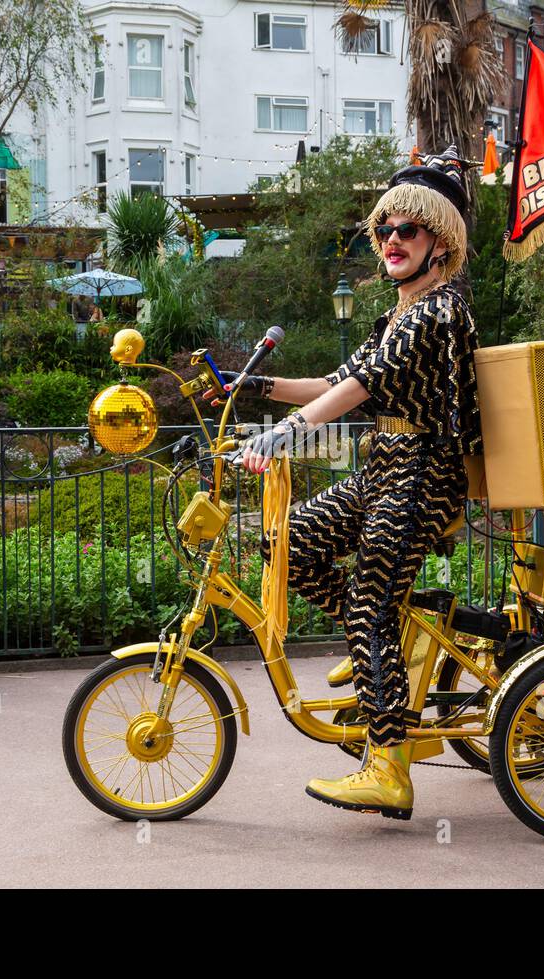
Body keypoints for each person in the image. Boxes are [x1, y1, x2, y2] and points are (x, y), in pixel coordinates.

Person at [207, 146, 482, 819]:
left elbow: (359, 390)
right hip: (383, 469)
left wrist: (286, 432)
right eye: (384, 229)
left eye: (407, 230)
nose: (391, 240)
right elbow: (333, 381)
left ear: (439, 242)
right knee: (287, 542)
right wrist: (251, 386)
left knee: (367, 603)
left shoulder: (436, 311)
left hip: (423, 475)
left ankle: (388, 766)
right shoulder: (399, 311)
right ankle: (382, 645)